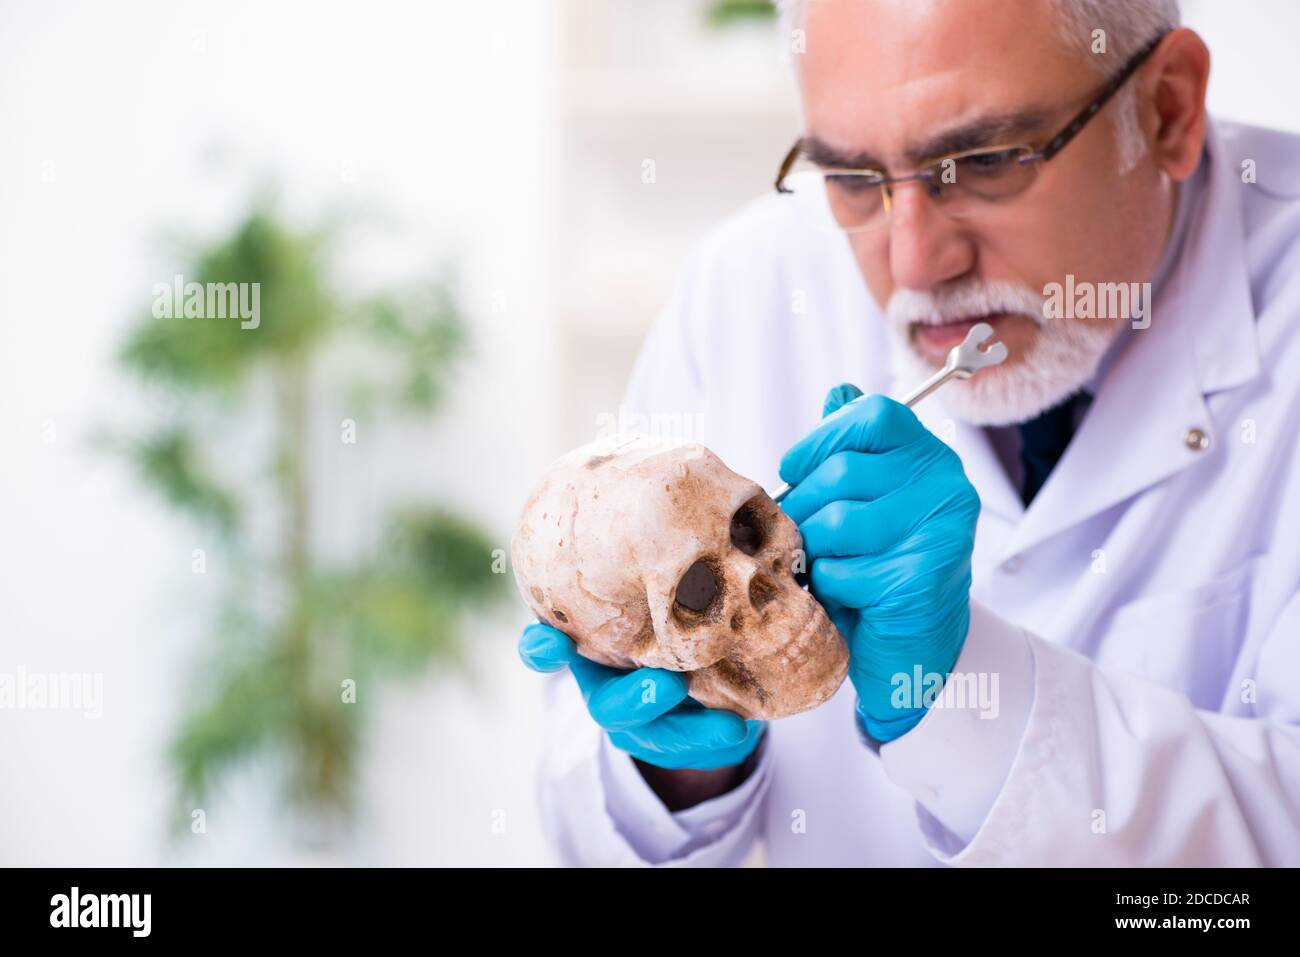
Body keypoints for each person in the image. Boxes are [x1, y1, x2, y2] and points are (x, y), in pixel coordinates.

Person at [520, 0, 1300, 865]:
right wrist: (678, 773)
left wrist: (965, 697)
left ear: (1168, 110)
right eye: (853, 178)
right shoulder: (748, 288)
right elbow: (586, 831)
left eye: (987, 161)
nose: (917, 264)